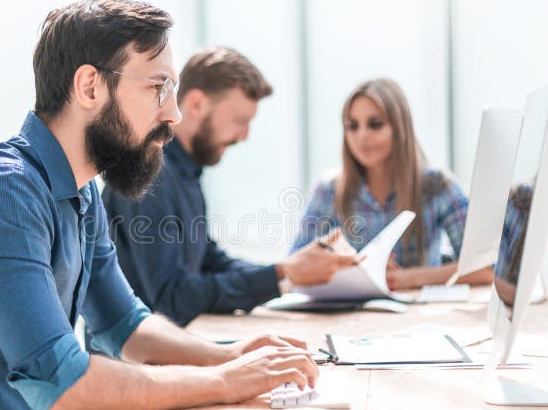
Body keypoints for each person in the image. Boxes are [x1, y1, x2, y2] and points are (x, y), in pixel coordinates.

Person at [0, 0, 318, 410]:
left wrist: (229, 356)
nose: (172, 113)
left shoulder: (80, 193)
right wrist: (221, 381)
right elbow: (62, 384)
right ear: (90, 86)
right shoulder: (1, 190)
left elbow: (124, 325)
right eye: (157, 87)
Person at [100, 46, 358, 327]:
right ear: (197, 104)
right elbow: (173, 298)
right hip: (134, 363)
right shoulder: (151, 175)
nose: (244, 136)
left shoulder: (184, 173)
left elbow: (208, 260)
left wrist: (292, 271)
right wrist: (283, 274)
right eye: (239, 121)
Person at [291, 77, 493, 289]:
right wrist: (349, 268)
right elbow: (294, 267)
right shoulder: (328, 190)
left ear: (400, 128)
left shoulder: (438, 187)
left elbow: (485, 269)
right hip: (350, 315)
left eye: (375, 125)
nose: (362, 136)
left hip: (421, 312)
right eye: (352, 126)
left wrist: (406, 278)